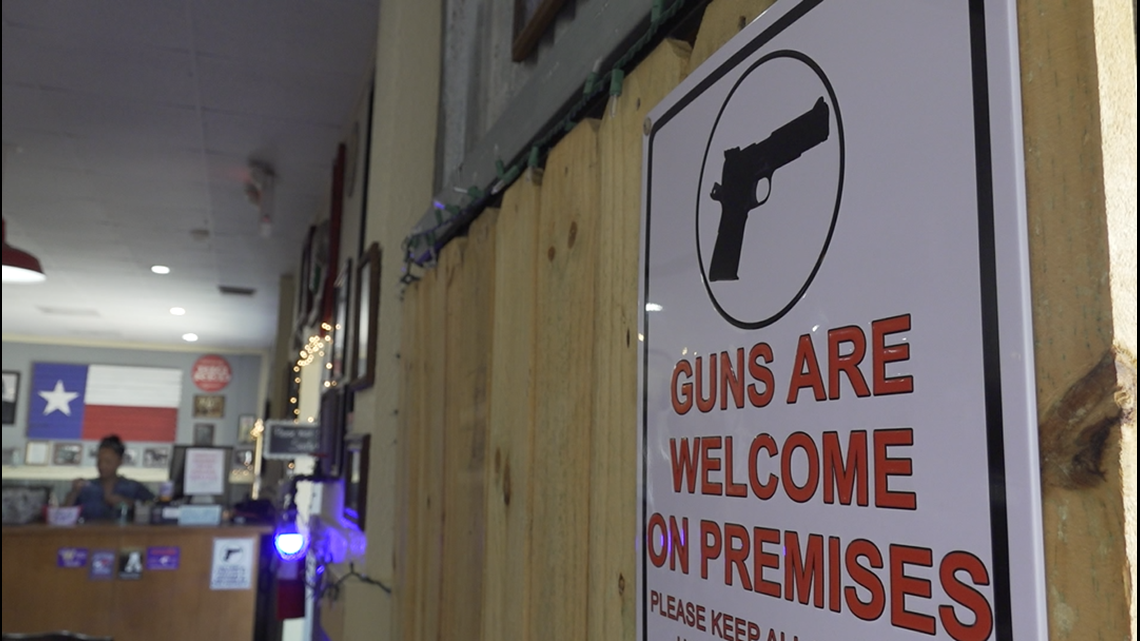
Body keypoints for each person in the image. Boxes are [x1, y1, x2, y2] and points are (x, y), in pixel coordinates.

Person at [64, 435, 154, 520]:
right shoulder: (86, 487)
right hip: (89, 535)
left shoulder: (133, 487)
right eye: (99, 461)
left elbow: (154, 509)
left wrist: (128, 503)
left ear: (120, 462)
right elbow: (63, 515)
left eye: (108, 462)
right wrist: (74, 492)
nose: (102, 466)